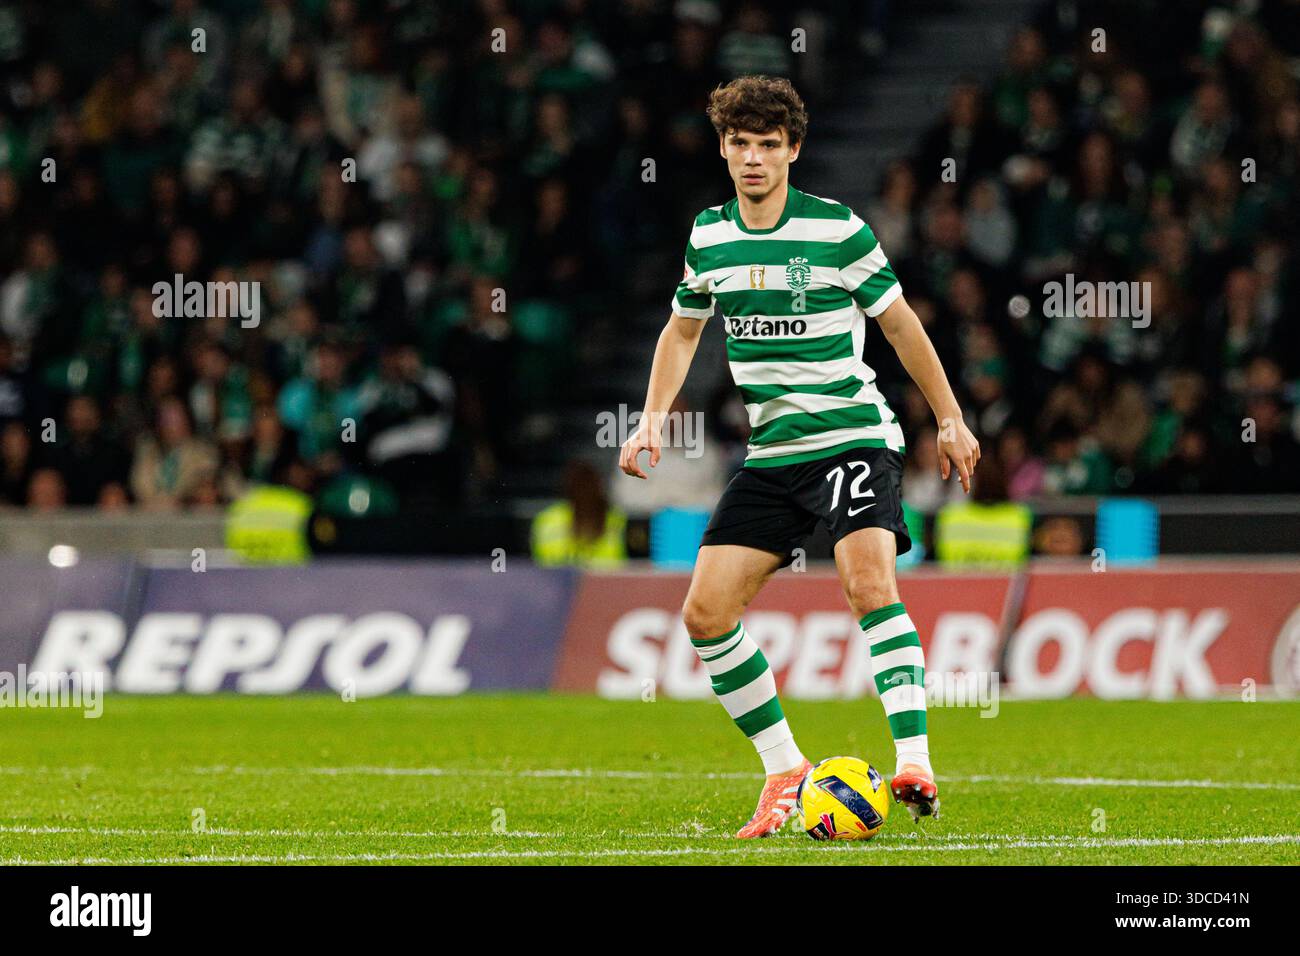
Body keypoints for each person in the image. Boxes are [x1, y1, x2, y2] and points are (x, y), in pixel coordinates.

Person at [618, 76, 979, 837]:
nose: (753, 158)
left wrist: (948, 419)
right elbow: (682, 331)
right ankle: (784, 769)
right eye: (740, 144)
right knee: (706, 613)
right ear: (723, 148)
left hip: (851, 435)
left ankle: (914, 759)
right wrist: (652, 420)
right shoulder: (710, 236)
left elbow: (902, 325)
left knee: (867, 582)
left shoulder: (839, 231)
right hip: (774, 454)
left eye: (769, 145)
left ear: (794, 151)